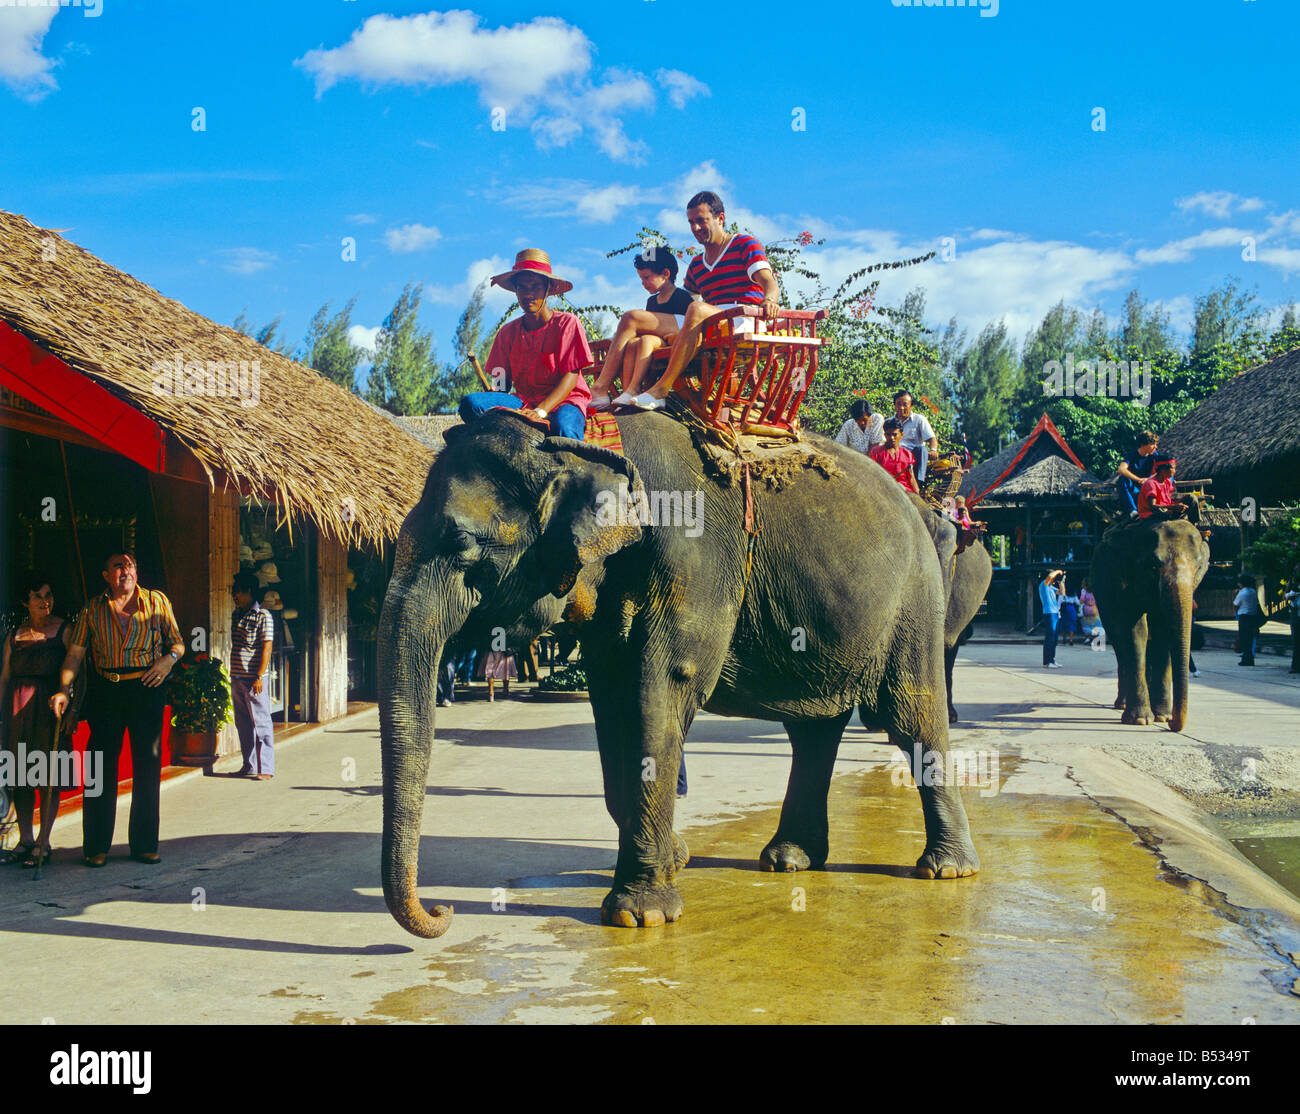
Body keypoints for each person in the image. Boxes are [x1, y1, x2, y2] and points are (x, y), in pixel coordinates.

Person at [50, 551, 184, 867]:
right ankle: (95, 847)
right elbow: (75, 654)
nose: (125, 571)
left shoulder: (156, 602)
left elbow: (177, 643)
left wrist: (168, 661)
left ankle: (144, 845)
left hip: (146, 688)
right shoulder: (92, 608)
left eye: (131, 565)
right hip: (107, 690)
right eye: (118, 566)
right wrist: (63, 689)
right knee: (99, 769)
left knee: (148, 767)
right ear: (106, 575)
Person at [626, 191, 781, 409]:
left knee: (697, 310)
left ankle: (661, 389)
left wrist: (770, 300)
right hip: (712, 322)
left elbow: (769, 282)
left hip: (743, 317)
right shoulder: (697, 265)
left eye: (701, 220)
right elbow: (683, 304)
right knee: (639, 323)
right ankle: (622, 391)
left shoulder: (745, 244)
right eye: (691, 222)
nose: (696, 228)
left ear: (720, 218)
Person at [458, 249, 593, 440]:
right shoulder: (507, 332)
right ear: (515, 291)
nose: (528, 294)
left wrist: (541, 411)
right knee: (471, 403)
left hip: (566, 401)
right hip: (523, 402)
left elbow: (570, 379)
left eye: (535, 287)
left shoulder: (567, 323)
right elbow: (502, 382)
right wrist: (495, 394)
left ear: (548, 289)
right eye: (522, 287)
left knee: (565, 429)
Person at [0, 574, 75, 867]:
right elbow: (5, 676)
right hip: (18, 711)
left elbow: (76, 669)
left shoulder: (64, 630)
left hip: (49, 710)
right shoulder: (14, 635)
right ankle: (26, 839)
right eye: (38, 597)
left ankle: (44, 841)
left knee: (48, 778)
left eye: (48, 595)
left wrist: (72, 710)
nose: (45, 602)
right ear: (25, 602)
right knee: (21, 779)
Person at [590, 248, 697, 410]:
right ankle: (628, 392)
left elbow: (689, 329)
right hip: (655, 339)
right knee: (634, 342)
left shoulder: (682, 297)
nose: (643, 283)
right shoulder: (652, 301)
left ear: (665, 274)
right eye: (641, 278)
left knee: (631, 317)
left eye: (647, 277)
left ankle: (601, 387)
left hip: (675, 336)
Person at [230, 571, 275, 780]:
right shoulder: (237, 614)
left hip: (253, 679)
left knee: (261, 723)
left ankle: (265, 768)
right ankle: (248, 765)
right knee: (243, 724)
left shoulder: (263, 616)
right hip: (237, 677)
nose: (234, 595)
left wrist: (259, 676)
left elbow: (267, 648)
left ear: (248, 591)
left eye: (237, 591)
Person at [893, 391, 939, 484]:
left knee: (921, 449)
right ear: (894, 406)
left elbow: (932, 438)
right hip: (895, 456)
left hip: (913, 457)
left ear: (911, 406)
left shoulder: (919, 420)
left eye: (905, 404)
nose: (901, 408)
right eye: (898, 404)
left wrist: (933, 450)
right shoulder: (889, 422)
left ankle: (919, 482)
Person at [869, 418, 920, 493]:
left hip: (905, 491)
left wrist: (917, 494)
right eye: (888, 434)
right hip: (884, 490)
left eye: (894, 434)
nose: (891, 438)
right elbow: (872, 475)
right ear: (884, 435)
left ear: (901, 435)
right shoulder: (876, 452)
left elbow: (911, 478)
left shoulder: (907, 454)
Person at [1116, 430, 1159, 517]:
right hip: (1134, 486)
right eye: (1153, 444)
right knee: (1122, 479)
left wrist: (1148, 479)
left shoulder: (1154, 455)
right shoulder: (1131, 455)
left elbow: (1162, 470)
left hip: (1148, 485)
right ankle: (1132, 510)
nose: (1155, 447)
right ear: (1143, 445)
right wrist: (1138, 480)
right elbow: (1121, 469)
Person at [1137, 455, 1185, 519]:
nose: (1174, 471)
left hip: (1166, 509)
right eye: (1173, 468)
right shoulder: (1151, 484)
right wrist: (1173, 507)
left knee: (1190, 498)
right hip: (1151, 513)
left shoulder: (1167, 481)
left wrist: (1179, 504)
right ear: (1163, 470)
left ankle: (1196, 522)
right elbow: (1152, 506)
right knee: (1164, 512)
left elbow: (1168, 501)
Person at [1233, 574, 1264, 666]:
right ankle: (1249, 658)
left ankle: (1245, 659)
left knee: (1244, 638)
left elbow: (1235, 604)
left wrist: (1235, 594)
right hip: (1252, 616)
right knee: (1250, 639)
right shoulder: (1253, 591)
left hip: (1244, 616)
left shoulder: (1242, 593)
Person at [1039, 569, 1065, 668]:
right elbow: (1049, 577)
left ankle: (1052, 660)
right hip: (1049, 613)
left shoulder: (1050, 587)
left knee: (1054, 638)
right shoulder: (1043, 585)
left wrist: (1061, 581)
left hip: (1055, 613)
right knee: (1049, 638)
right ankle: (1047, 661)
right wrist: (1058, 571)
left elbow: (1062, 592)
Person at [1284, 576, 1300, 674]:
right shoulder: (1294, 591)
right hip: (1296, 617)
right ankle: (1296, 666)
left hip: (1297, 617)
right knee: (1296, 643)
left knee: (1297, 642)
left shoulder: (1296, 590)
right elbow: (1285, 597)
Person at [1078, 578, 1101, 643]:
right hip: (1094, 609)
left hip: (1086, 609)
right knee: (1096, 625)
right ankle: (1095, 639)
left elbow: (1081, 600)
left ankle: (1089, 638)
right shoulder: (1095, 590)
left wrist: (1086, 602)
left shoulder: (1083, 591)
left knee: (1087, 625)